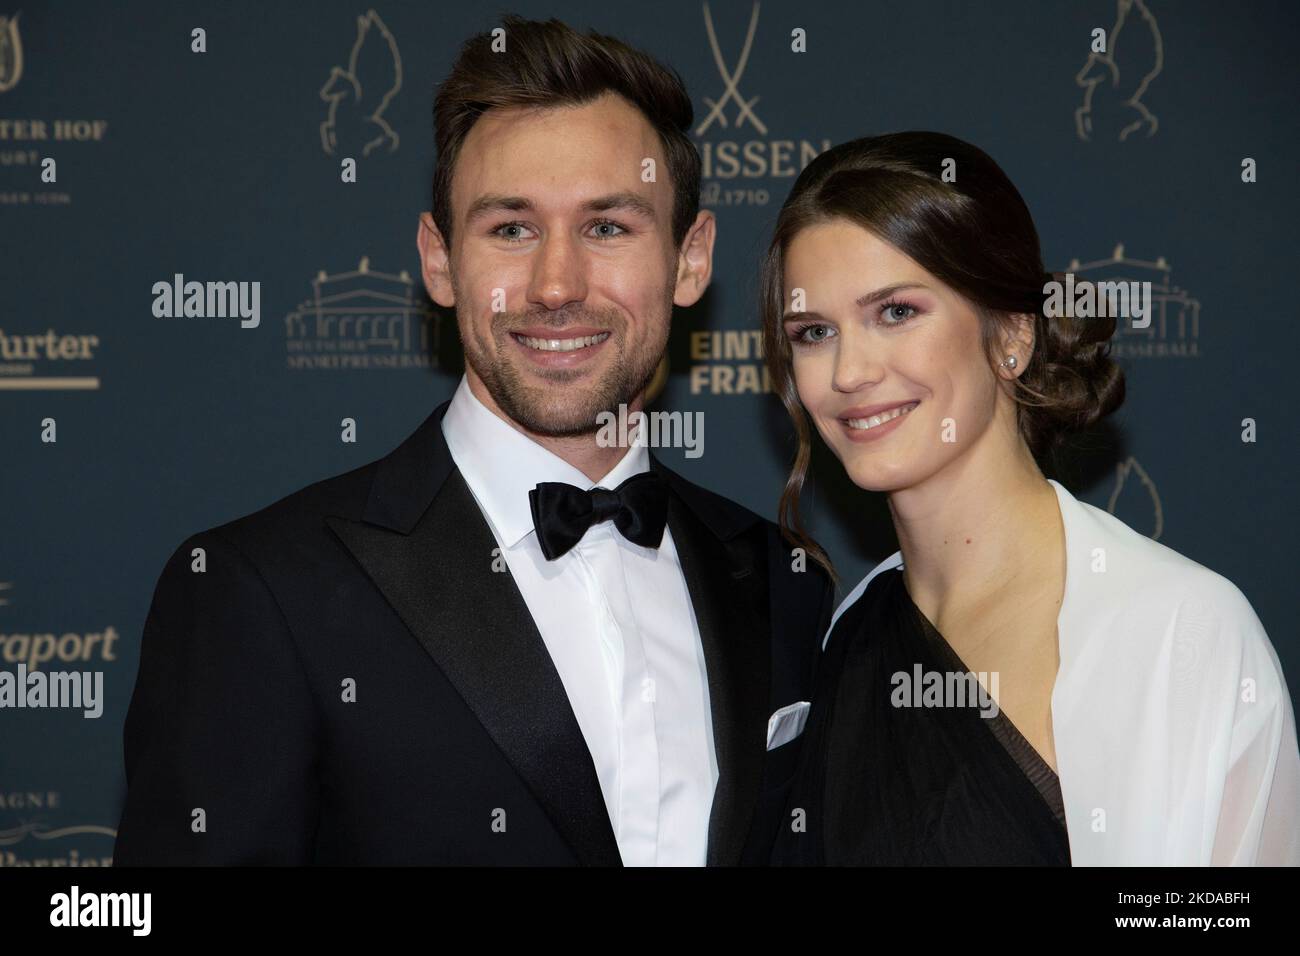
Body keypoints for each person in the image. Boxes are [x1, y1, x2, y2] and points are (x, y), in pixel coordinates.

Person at [114, 15, 832, 867]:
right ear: (440, 259)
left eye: (608, 227)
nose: (556, 285)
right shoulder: (264, 595)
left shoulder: (779, 582)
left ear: (689, 258)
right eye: (511, 229)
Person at [762, 131, 1300, 865]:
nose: (850, 370)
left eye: (896, 312)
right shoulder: (846, 638)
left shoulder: (1180, 630)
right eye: (814, 331)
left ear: (1012, 333)